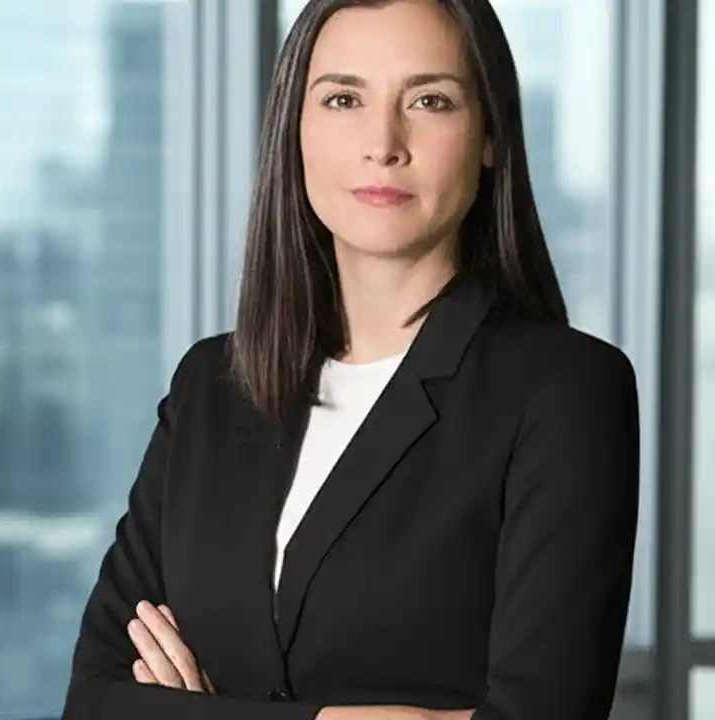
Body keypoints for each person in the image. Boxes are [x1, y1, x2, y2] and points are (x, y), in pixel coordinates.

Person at [60, 0, 640, 718]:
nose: (383, 144)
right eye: (343, 99)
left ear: (490, 134)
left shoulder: (565, 391)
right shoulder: (212, 386)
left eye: (430, 101)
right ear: (294, 130)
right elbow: (95, 701)